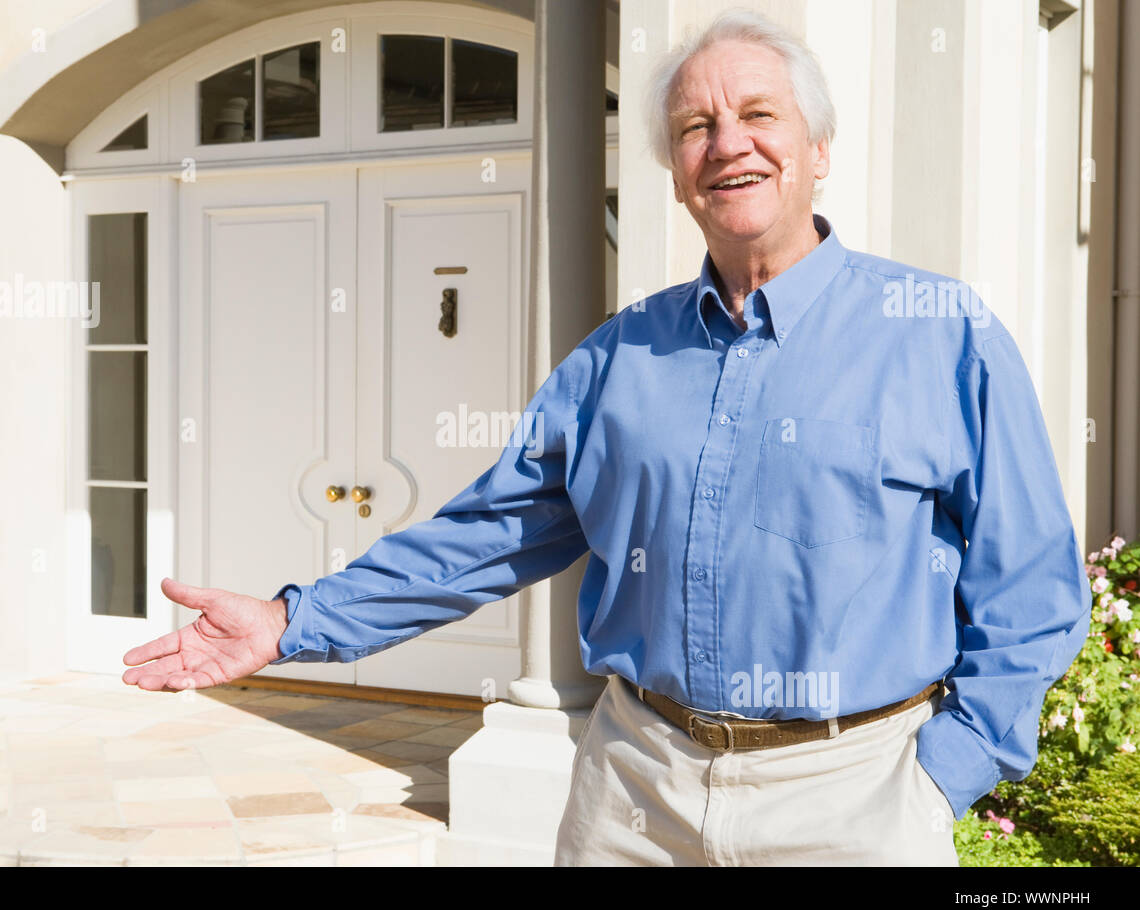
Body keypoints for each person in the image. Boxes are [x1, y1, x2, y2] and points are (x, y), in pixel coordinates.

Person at [122, 9, 1092, 866]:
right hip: (634, 790)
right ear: (674, 171)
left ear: (817, 145)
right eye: (694, 127)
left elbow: (1030, 589)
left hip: (852, 798)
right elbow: (484, 534)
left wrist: (944, 771)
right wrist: (294, 620)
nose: (727, 144)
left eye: (758, 114)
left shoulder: (938, 332)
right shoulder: (615, 360)